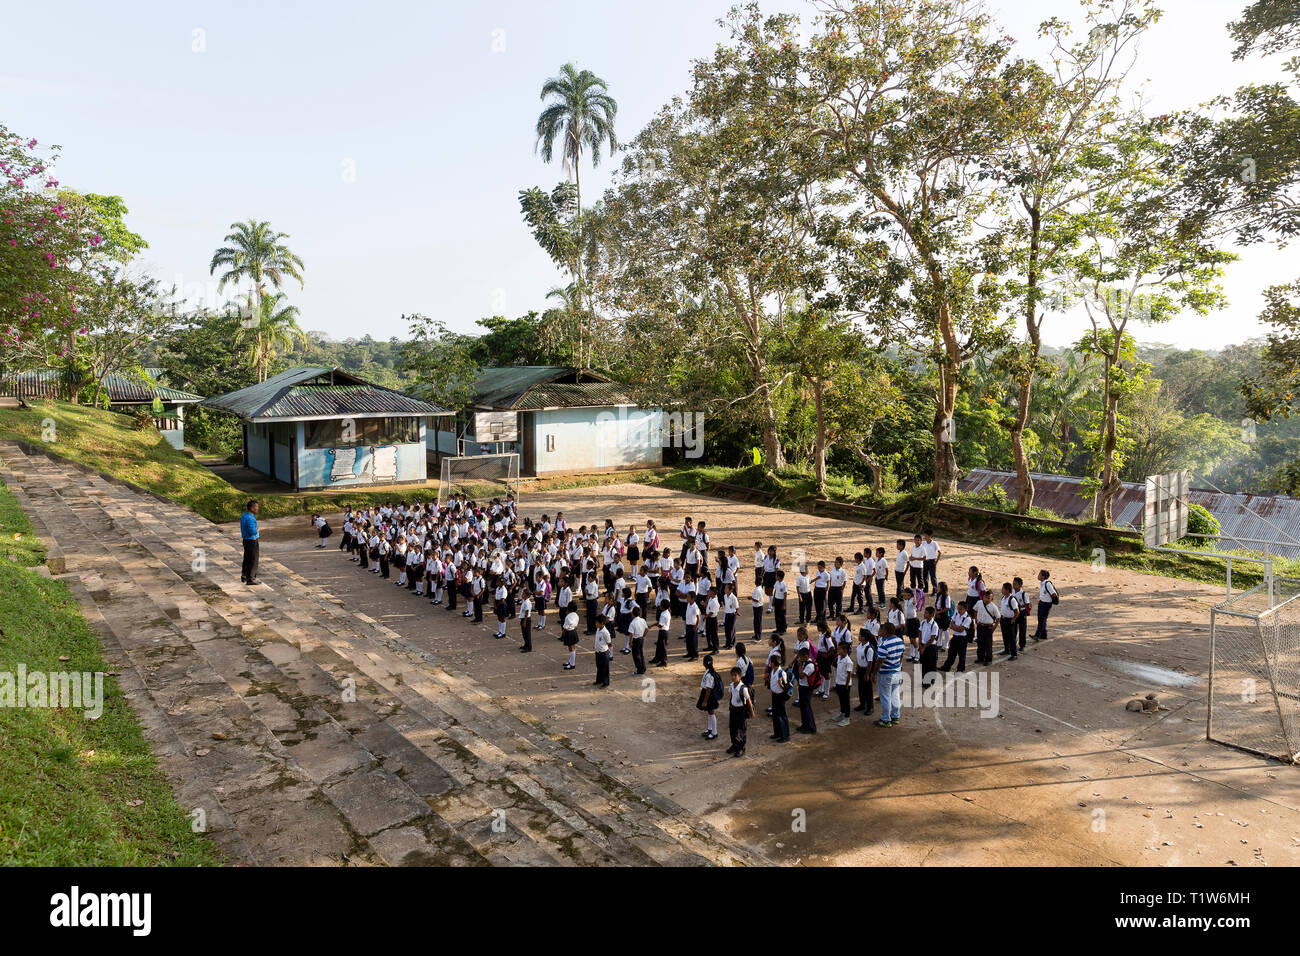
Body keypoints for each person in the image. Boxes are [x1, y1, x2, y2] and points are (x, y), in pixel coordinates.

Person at [873, 622, 905, 727]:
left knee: (885, 696)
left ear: (885, 632)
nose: (879, 631)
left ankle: (886, 719)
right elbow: (902, 655)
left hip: (886, 673)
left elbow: (879, 661)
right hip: (897, 671)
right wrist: (899, 667)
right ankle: (895, 716)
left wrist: (874, 673)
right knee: (895, 694)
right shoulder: (900, 640)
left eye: (881, 630)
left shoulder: (884, 645)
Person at [726, 667, 753, 757]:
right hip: (733, 710)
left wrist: (751, 712)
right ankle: (735, 745)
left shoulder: (743, 689)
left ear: (740, 676)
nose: (733, 677)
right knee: (732, 728)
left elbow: (749, 701)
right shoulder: (731, 685)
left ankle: (741, 748)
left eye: (735, 675)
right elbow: (731, 695)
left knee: (741, 729)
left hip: (741, 711)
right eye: (732, 675)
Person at [768, 652, 790, 743]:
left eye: (771, 662)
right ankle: (777, 733)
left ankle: (785, 735)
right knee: (776, 715)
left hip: (780, 696)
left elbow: (786, 687)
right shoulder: (773, 671)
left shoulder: (782, 673)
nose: (770, 663)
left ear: (773, 663)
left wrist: (781, 684)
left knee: (782, 715)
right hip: (774, 695)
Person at [698, 656, 722, 740]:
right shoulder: (709, 672)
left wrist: (705, 701)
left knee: (711, 712)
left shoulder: (709, 675)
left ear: (704, 664)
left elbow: (708, 689)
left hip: (709, 695)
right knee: (709, 712)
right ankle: (709, 729)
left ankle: (714, 732)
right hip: (707, 693)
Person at [854, 627, 875, 715]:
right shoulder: (859, 645)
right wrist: (857, 668)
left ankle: (870, 707)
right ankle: (862, 704)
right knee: (861, 688)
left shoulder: (869, 649)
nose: (858, 636)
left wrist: (867, 674)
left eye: (860, 635)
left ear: (864, 638)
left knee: (868, 689)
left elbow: (870, 662)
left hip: (866, 670)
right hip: (860, 669)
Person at [831, 641, 853, 726]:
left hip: (845, 685)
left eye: (839, 649)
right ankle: (842, 713)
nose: (837, 650)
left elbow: (848, 675)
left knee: (846, 701)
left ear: (845, 650)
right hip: (839, 683)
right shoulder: (839, 658)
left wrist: (846, 686)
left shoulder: (848, 661)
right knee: (841, 699)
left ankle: (847, 718)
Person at [1032, 569, 1057, 641]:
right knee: (1041, 619)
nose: (1038, 575)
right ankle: (1044, 635)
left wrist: (1049, 601)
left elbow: (1053, 593)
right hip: (1042, 602)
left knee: (1042, 620)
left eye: (1039, 574)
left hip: (1046, 604)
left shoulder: (1047, 584)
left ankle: (1037, 635)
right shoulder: (1042, 583)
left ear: (1043, 576)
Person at [240, 499, 261, 586]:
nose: (257, 508)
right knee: (253, 560)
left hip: (246, 540)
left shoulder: (244, 516)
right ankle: (251, 579)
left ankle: (245, 575)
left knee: (247, 559)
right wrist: (258, 529)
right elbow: (252, 531)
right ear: (251, 508)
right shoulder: (250, 518)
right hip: (252, 541)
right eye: (255, 507)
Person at [999, 583, 1020, 661]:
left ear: (1007, 590)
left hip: (1009, 620)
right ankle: (1007, 650)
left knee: (1012, 638)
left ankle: (1014, 654)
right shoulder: (1003, 598)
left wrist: (1013, 619)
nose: (1002, 590)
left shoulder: (1012, 600)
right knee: (1005, 636)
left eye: (1003, 589)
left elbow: (1017, 611)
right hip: (1003, 619)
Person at [593, 614, 612, 688]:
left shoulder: (605, 632)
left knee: (605, 668)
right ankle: (599, 680)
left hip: (604, 653)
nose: (595, 623)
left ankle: (606, 682)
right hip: (598, 652)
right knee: (599, 667)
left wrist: (608, 651)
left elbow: (609, 643)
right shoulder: (598, 629)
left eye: (597, 622)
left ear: (602, 623)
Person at [628, 606, 647, 675]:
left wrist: (630, 642)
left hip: (636, 640)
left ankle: (640, 669)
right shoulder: (643, 620)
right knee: (641, 653)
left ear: (632, 614)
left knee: (636, 655)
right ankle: (643, 667)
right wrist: (644, 636)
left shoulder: (632, 623)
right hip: (641, 638)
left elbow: (631, 634)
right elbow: (647, 629)